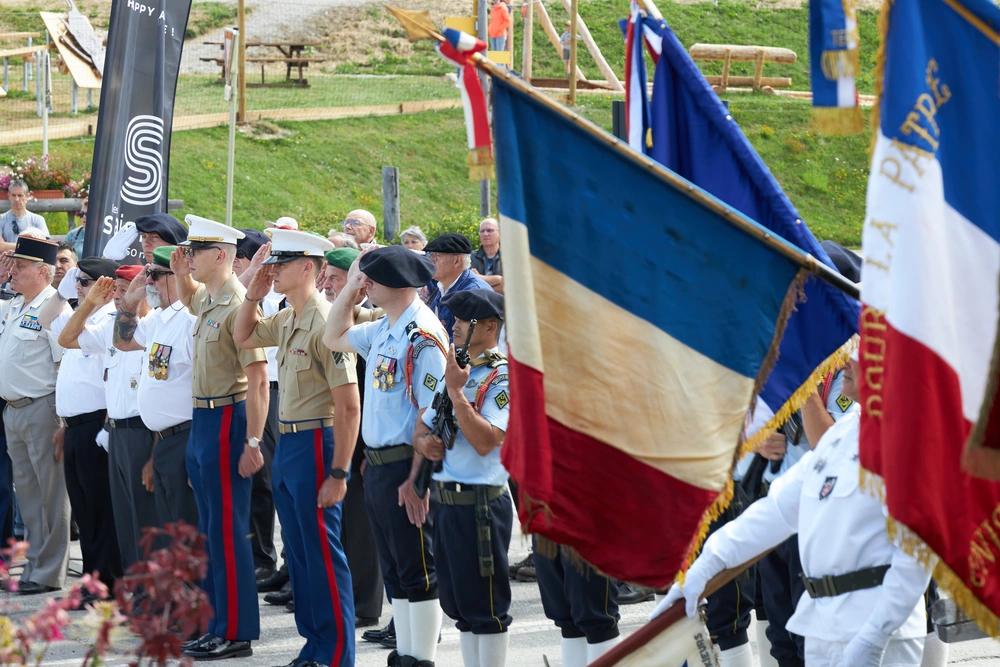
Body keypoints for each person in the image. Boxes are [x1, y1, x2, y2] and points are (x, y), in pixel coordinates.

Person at [655, 351, 933, 667]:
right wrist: (700, 573)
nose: (846, 363)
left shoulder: (907, 443)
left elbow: (916, 556)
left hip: (876, 627)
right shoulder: (842, 437)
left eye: (858, 356)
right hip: (823, 627)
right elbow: (773, 513)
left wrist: (874, 637)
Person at [234, 229, 360, 667]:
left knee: (325, 555)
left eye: (281, 264)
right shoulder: (288, 317)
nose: (273, 271)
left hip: (317, 442)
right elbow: (243, 336)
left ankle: (339, 654)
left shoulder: (328, 322)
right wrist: (252, 294)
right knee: (303, 555)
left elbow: (348, 408)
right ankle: (315, 645)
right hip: (289, 442)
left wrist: (340, 472)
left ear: (308, 267)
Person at [322, 245, 448, 667]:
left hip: (406, 467)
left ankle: (421, 658)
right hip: (378, 465)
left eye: (372, 278)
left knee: (418, 572)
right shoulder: (385, 327)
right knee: (396, 572)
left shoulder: (422, 335)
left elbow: (434, 417)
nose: (366, 283)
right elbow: (332, 336)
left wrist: (419, 480)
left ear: (396, 284)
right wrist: (351, 291)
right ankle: (407, 654)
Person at [171, 216, 267, 661]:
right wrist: (180, 275)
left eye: (196, 251)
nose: (188, 257)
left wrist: (252, 442)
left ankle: (236, 630)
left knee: (228, 532)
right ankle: (215, 624)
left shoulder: (238, 306)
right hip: (203, 419)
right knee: (211, 532)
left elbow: (259, 380)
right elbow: (191, 299)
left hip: (229, 419)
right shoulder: (210, 299)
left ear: (222, 256)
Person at [413, 288, 513, 667]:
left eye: (463, 322)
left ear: (489, 327)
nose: (454, 327)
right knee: (459, 604)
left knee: (486, 606)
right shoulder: (454, 367)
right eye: (453, 320)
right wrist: (425, 446)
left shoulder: (500, 378)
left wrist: (457, 392)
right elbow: (421, 429)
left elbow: (487, 440)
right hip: (448, 503)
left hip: (481, 505)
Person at [58, 265, 159, 573]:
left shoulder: (154, 325)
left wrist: (154, 454)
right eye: (113, 289)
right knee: (125, 521)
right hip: (116, 432)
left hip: (145, 431)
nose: (116, 296)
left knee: (147, 522)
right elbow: (66, 337)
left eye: (123, 288)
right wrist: (89, 303)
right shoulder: (111, 327)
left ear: (141, 289)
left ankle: (155, 598)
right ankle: (135, 594)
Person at [43, 257, 123, 602]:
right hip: (74, 426)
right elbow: (45, 319)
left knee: (101, 509)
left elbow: (113, 379)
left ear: (105, 287)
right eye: (78, 281)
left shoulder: (110, 319)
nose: (79, 287)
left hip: (98, 422)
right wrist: (64, 425)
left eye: (86, 282)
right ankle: (92, 580)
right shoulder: (78, 318)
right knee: (84, 510)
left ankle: (107, 583)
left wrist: (107, 424)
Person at [111, 246, 199, 532]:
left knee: (187, 531)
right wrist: (129, 304)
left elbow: (205, 386)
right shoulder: (157, 319)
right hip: (163, 440)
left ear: (177, 275)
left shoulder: (189, 319)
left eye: (156, 275)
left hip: (186, 437)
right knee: (169, 532)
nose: (148, 281)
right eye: (148, 274)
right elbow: (122, 342)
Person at [0, 237, 70, 594]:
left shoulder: (56, 308)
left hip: (43, 408)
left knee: (51, 493)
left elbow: (64, 366)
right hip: (13, 411)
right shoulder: (14, 305)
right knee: (28, 493)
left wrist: (63, 421)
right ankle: (35, 564)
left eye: (21, 266)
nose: (13, 270)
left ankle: (48, 571)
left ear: (43, 272)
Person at [322, 247, 387, 629]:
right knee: (344, 524)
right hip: (339, 429)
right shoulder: (328, 310)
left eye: (335, 276)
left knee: (362, 527)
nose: (327, 284)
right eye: (326, 276)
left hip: (364, 433)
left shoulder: (373, 317)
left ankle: (364, 604)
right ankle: (348, 597)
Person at [234, 229, 288, 592]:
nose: (240, 266)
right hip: (246, 392)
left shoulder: (273, 301)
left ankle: (270, 558)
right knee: (251, 479)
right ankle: (258, 556)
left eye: (244, 259)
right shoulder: (245, 297)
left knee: (268, 478)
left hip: (271, 391)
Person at [424, 233, 490, 341]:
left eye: (436, 255)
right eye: (429, 255)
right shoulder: (442, 286)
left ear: (457, 260)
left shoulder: (474, 293)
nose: (430, 260)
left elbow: (471, 343)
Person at [0, 180, 49, 249]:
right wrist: (28, 245)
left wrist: (7, 245)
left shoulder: (38, 220)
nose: (16, 199)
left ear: (27, 196)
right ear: (9, 196)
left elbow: (43, 246)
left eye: (20, 196)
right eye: (13, 195)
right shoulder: (1, 219)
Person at [470, 219, 502, 294]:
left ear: (500, 233)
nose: (485, 234)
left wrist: (478, 277)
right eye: (482, 231)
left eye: (489, 230)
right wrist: (498, 280)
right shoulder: (471, 257)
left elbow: (508, 286)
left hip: (501, 304)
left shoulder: (508, 258)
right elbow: (469, 285)